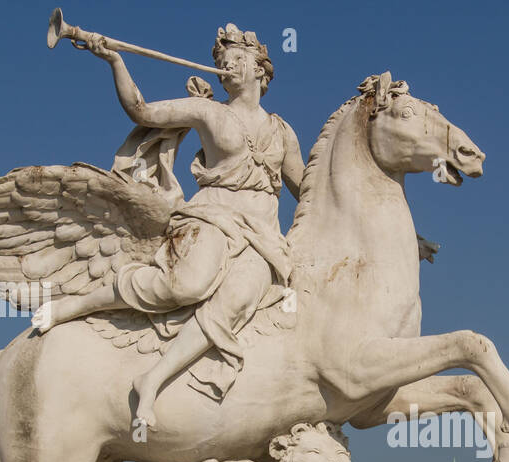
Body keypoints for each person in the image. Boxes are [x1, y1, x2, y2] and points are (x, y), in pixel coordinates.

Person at [31, 24, 305, 430]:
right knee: (186, 286)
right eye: (222, 63)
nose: (227, 67)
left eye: (237, 61)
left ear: (261, 71)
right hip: (214, 220)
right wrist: (115, 61)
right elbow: (141, 111)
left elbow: (308, 190)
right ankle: (79, 303)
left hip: (262, 241)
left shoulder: (282, 131)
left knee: (236, 302)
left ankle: (153, 378)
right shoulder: (210, 112)